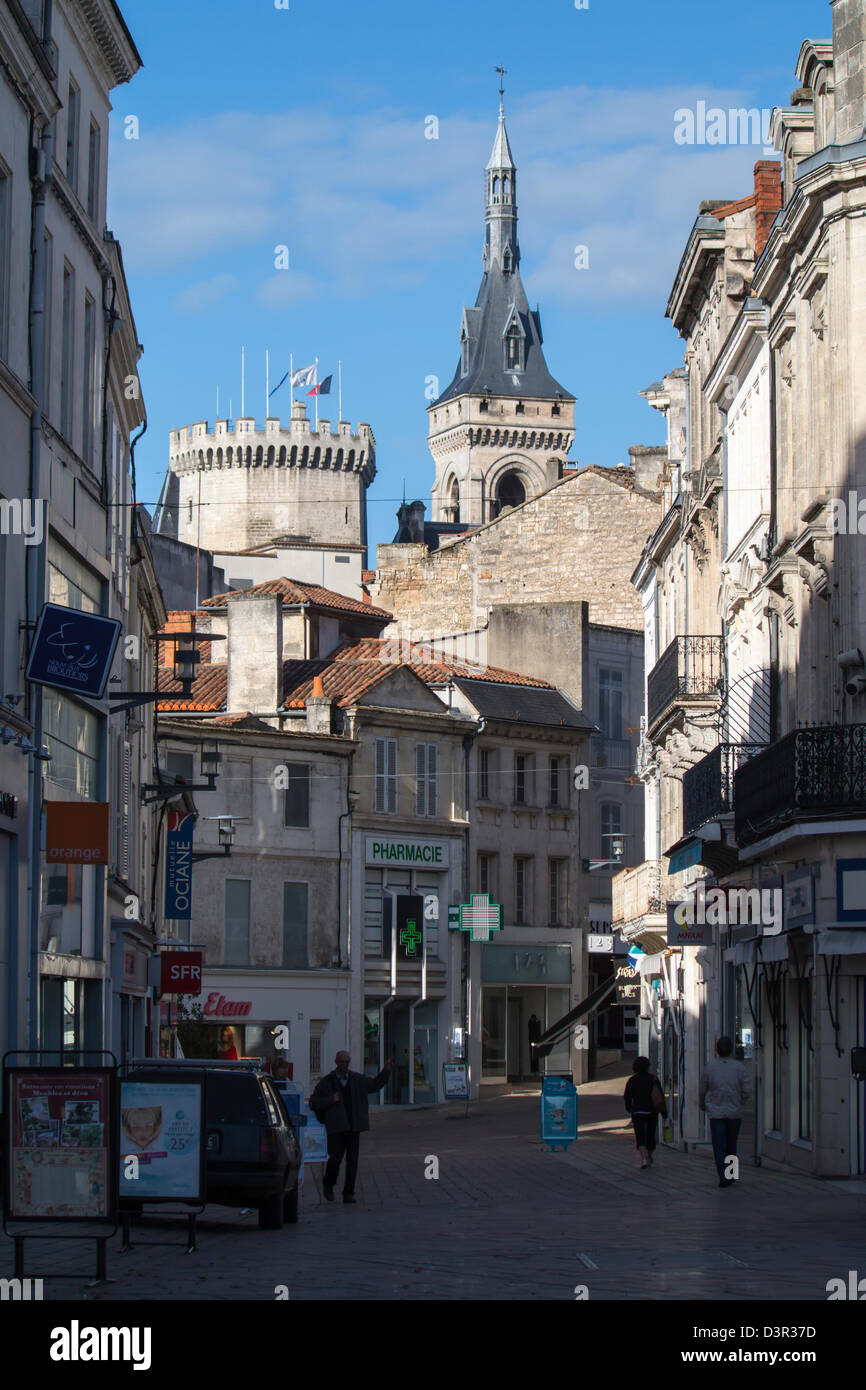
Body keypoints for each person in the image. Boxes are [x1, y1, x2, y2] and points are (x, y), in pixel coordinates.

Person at [309, 1051, 393, 1203]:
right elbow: (314, 1102)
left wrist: (385, 1072)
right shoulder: (327, 1082)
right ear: (336, 1062)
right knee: (335, 1159)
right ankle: (328, 1183)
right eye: (342, 1062)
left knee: (352, 1161)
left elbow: (374, 1085)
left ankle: (348, 1192)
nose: (345, 1065)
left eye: (347, 1062)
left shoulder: (356, 1079)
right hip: (336, 1127)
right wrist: (331, 1099)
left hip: (353, 1126)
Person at [699, 1035, 752, 1188]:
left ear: (716, 1049)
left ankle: (723, 1176)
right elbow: (747, 1090)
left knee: (719, 1145)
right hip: (734, 1111)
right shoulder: (739, 1067)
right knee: (731, 1144)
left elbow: (703, 1088)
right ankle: (732, 1175)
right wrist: (740, 1101)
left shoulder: (710, 1067)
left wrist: (703, 1103)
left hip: (716, 1112)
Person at [624, 1056, 666, 1170]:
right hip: (652, 1111)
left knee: (640, 1136)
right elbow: (660, 1097)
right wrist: (664, 1113)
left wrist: (629, 1108)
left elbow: (627, 1096)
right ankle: (649, 1156)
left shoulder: (632, 1080)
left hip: (637, 1111)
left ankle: (644, 1158)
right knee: (650, 1135)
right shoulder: (653, 1079)